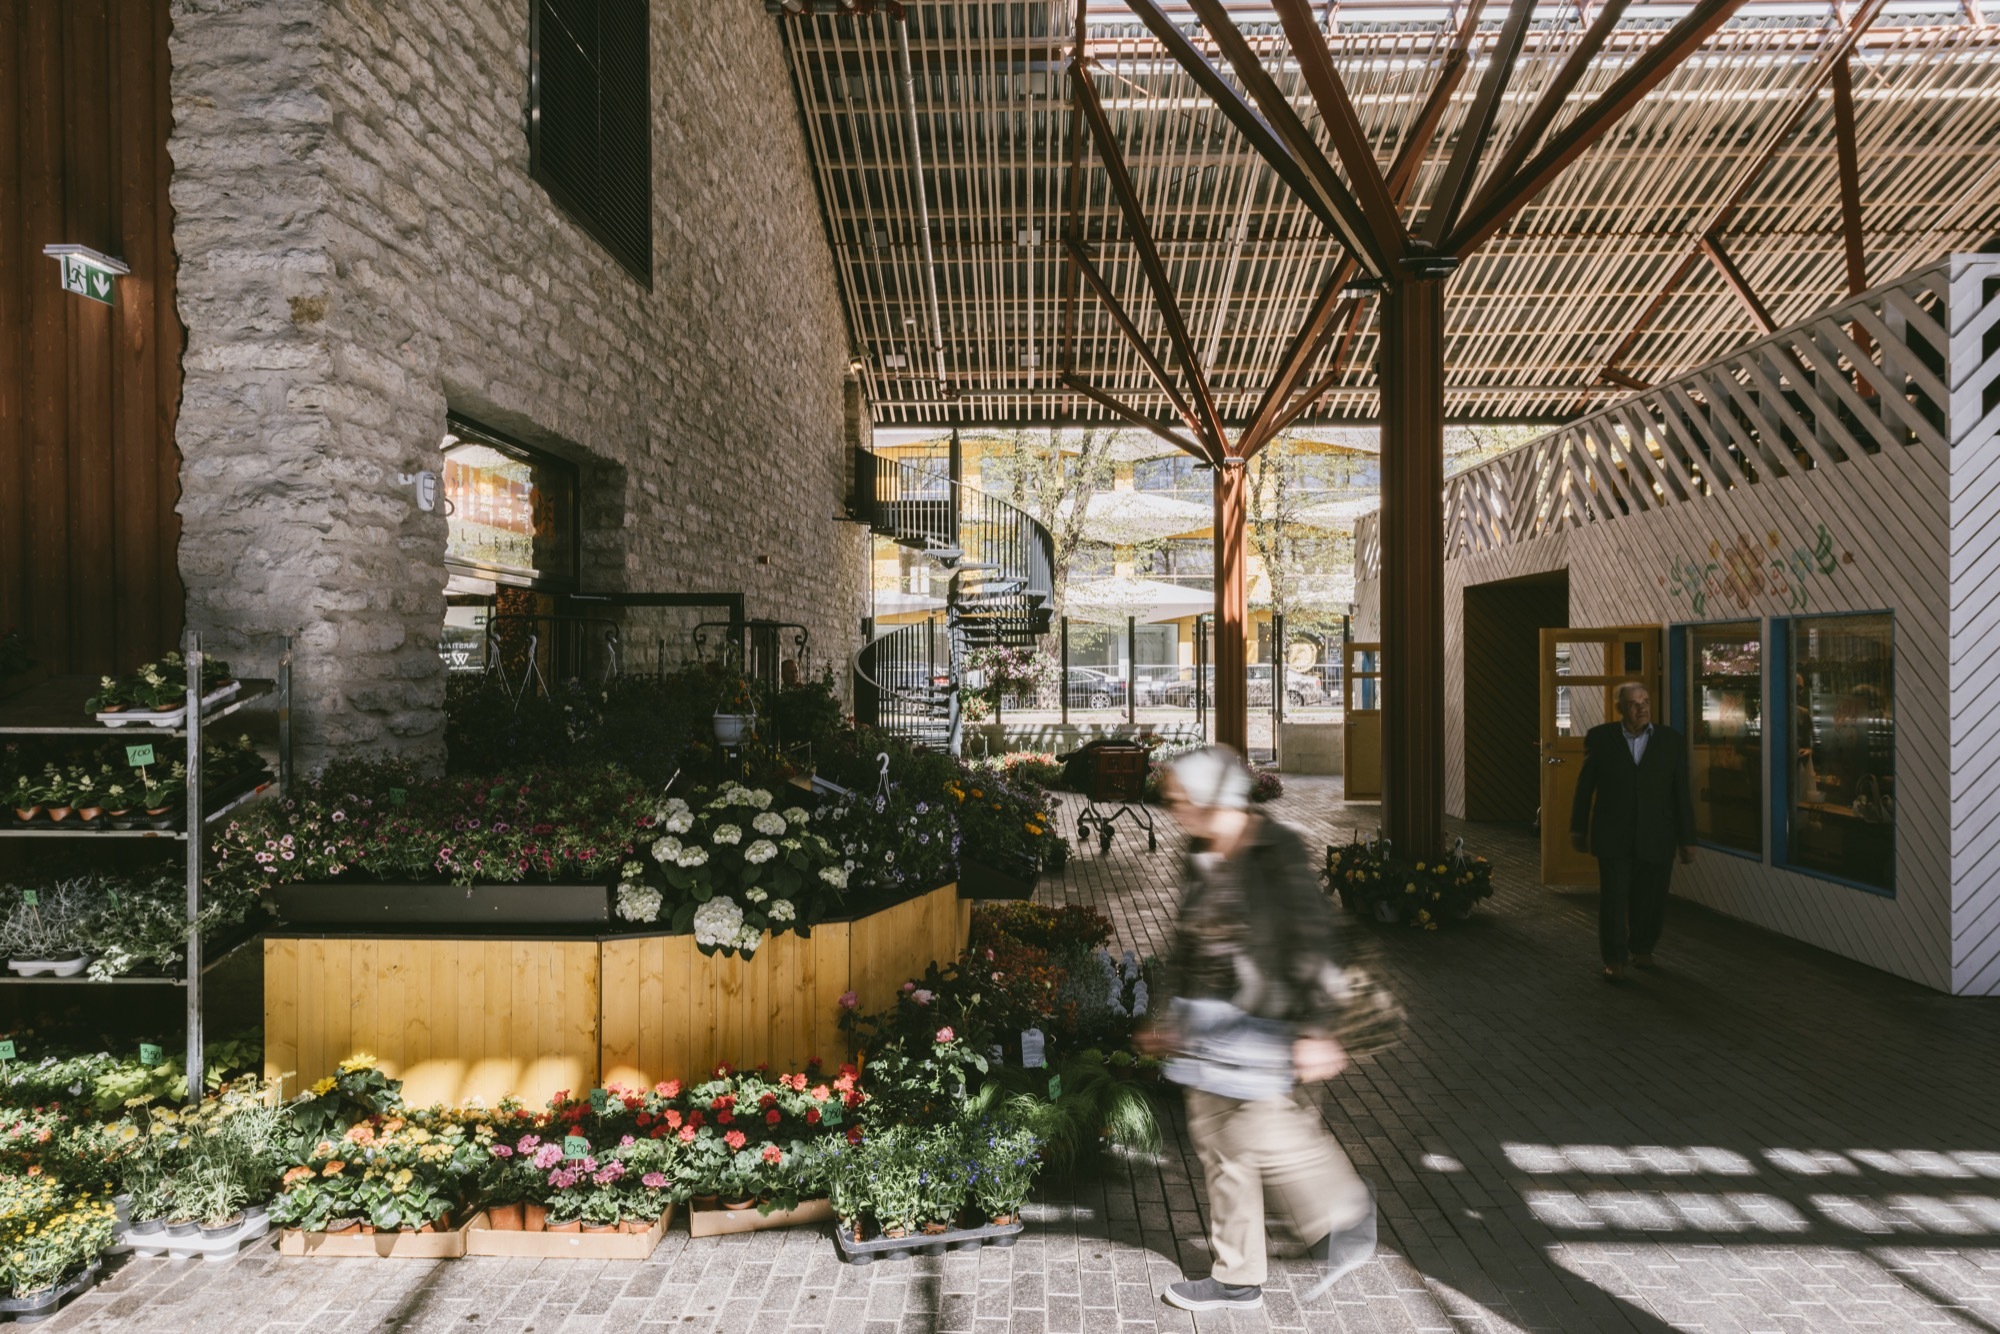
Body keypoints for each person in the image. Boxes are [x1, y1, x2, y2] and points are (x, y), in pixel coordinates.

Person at [1140, 746, 1378, 1313]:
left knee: (1263, 1128)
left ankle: (1344, 1214)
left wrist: (1319, 1027)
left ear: (1208, 798)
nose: (1172, 808)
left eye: (1179, 798)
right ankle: (1237, 1275)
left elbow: (1314, 936)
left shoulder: (1276, 850)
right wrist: (1168, 1015)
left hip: (1266, 1022)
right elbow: (1187, 938)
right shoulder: (1199, 848)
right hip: (1208, 1024)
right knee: (1219, 1144)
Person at [1569, 681, 1696, 981]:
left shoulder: (1670, 741)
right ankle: (1614, 958)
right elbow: (1585, 786)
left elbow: (1681, 794)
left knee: (1650, 899)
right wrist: (1578, 828)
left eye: (1646, 702)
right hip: (1614, 834)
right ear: (1620, 708)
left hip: (1657, 835)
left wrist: (1687, 839)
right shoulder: (1600, 738)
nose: (1642, 708)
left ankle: (1643, 948)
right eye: (1634, 703)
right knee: (1613, 899)